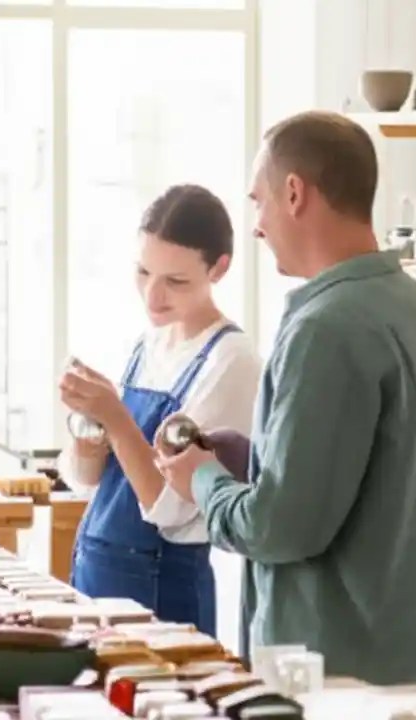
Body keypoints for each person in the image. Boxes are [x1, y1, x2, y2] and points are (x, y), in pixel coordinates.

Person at [156, 111, 416, 687]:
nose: (255, 224)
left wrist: (202, 480)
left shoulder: (324, 329)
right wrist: (254, 459)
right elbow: (378, 487)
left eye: (259, 201)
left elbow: (280, 529)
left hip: (336, 680)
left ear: (295, 193)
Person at [58, 184, 262, 639]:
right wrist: (87, 430)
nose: (153, 296)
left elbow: (169, 507)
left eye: (176, 281)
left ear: (220, 268)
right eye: (144, 272)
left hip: (162, 584)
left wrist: (114, 417)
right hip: (98, 568)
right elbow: (89, 481)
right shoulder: (148, 344)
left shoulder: (231, 359)